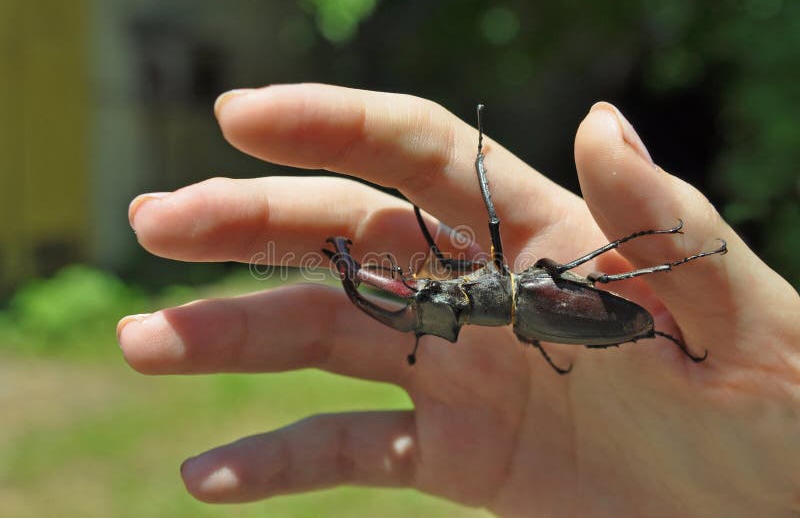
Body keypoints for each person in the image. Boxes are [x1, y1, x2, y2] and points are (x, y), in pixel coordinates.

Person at [117, 84, 800, 516]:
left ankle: (661, 272)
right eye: (446, 300)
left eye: (443, 295)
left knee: (597, 278)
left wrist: (361, 258)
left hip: (573, 321)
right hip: (575, 316)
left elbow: (432, 240)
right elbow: (445, 239)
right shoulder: (523, 292)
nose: (440, 290)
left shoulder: (520, 312)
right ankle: (660, 271)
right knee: (590, 273)